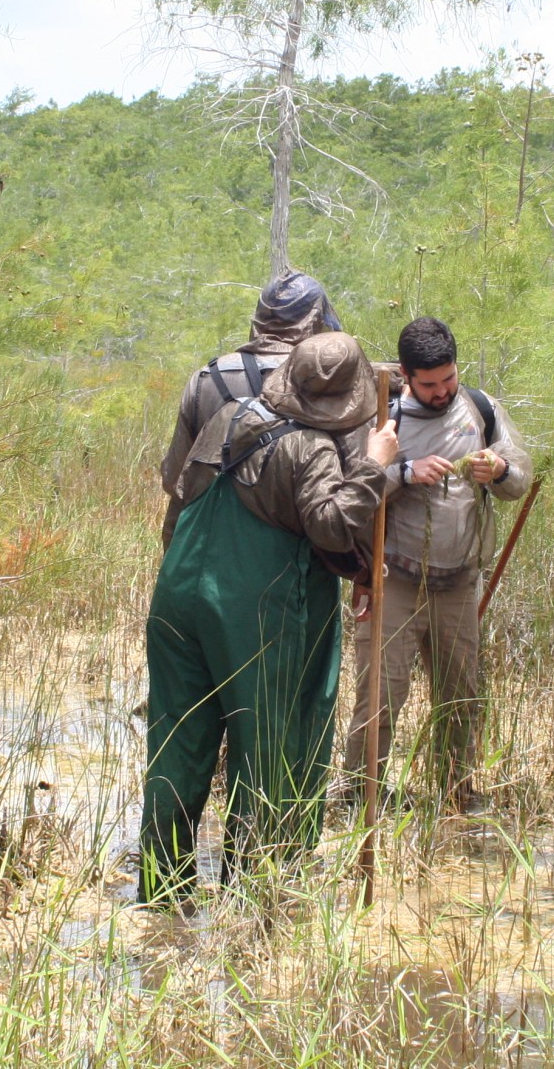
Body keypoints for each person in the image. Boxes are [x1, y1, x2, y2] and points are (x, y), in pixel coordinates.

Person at [141, 332, 397, 904]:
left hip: (178, 595)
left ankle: (162, 892)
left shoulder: (226, 416)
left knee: (178, 742)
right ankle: (257, 895)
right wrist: (375, 466)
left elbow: (179, 500)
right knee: (270, 744)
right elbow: (332, 525)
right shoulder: (312, 447)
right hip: (253, 609)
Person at [342, 316, 532, 815]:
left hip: (459, 585)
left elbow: (520, 479)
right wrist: (405, 472)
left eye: (449, 378)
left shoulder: (481, 409)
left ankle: (458, 794)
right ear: (406, 375)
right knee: (380, 698)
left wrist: (501, 470)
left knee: (461, 698)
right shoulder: (384, 419)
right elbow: (352, 491)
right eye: (429, 384)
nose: (442, 390)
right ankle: (361, 797)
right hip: (393, 581)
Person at [158, 271, 341, 545]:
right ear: (316, 321)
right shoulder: (329, 380)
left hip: (208, 545)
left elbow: (174, 478)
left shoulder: (208, 379)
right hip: (295, 551)